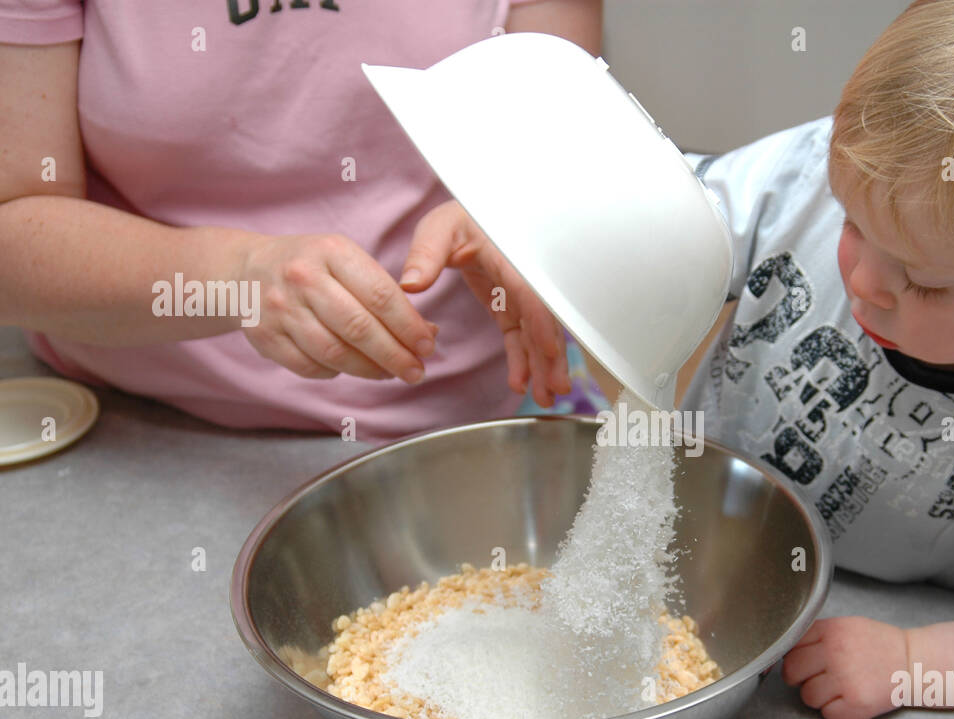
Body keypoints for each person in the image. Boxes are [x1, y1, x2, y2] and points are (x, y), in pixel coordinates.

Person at [405, 0, 954, 719]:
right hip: (702, 587)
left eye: (925, 282)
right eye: (851, 222)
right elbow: (657, 229)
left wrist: (917, 666)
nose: (864, 282)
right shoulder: (811, 179)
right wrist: (527, 234)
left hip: (880, 646)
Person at [0, 0, 597, 442]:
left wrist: (516, 215)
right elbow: (14, 229)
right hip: (129, 434)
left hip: (475, 425)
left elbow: (563, 146)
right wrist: (234, 278)